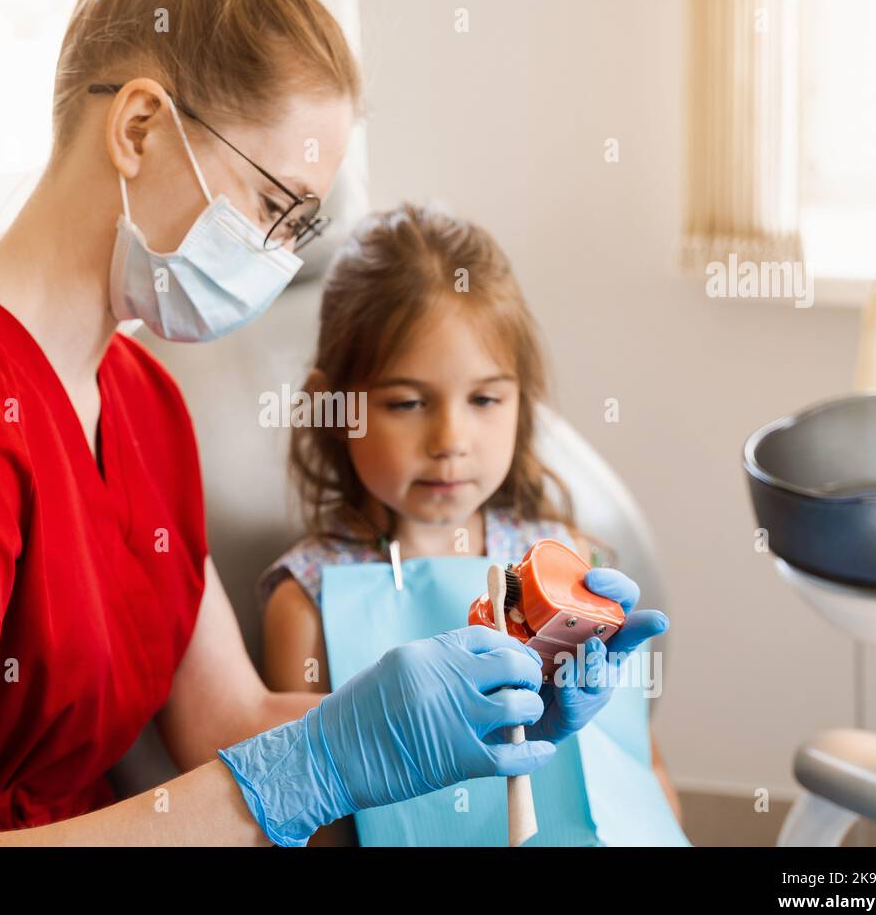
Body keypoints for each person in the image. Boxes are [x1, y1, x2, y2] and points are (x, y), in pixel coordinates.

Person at [0, 0, 666, 847]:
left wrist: (471, 715)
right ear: (140, 127)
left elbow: (225, 721)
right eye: (273, 206)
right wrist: (320, 763)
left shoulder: (145, 404)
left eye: (299, 229)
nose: (275, 260)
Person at [260, 204, 681, 843]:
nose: (450, 439)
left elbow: (639, 765)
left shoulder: (565, 563)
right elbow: (314, 824)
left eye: (485, 399)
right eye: (407, 402)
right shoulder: (308, 602)